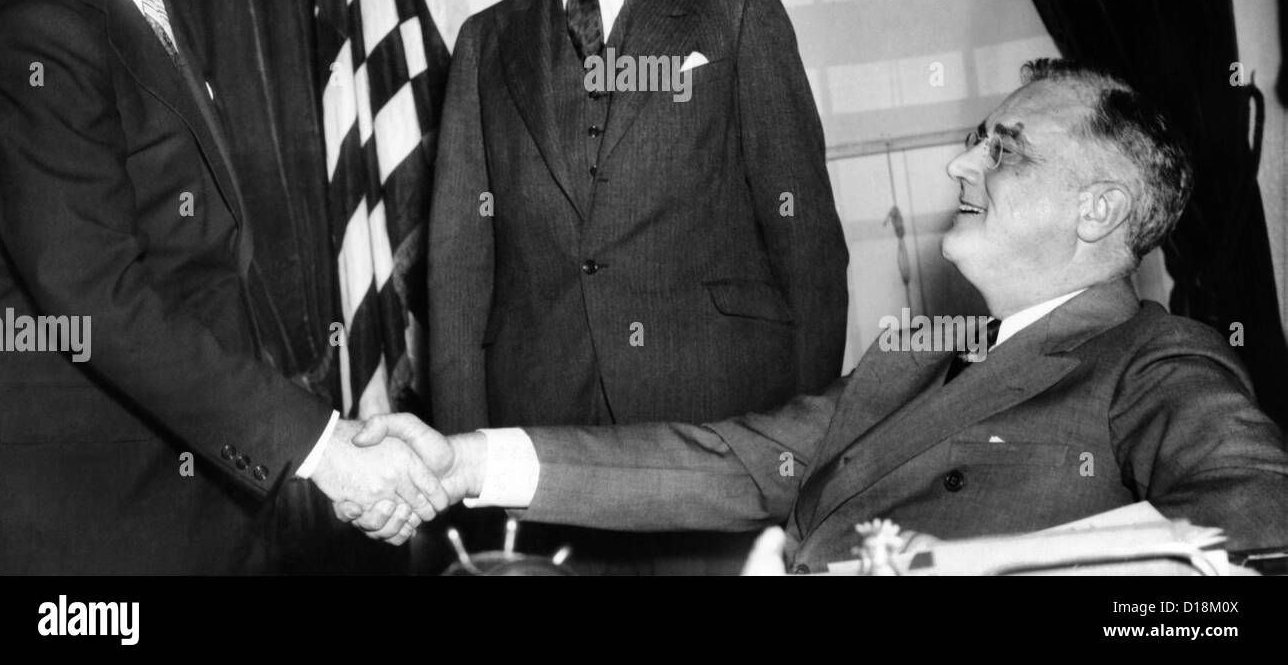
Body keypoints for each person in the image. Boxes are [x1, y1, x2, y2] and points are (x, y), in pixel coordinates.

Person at [351, 60, 1288, 571]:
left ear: (1099, 212)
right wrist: (467, 460)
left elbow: (1258, 537)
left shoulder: (1156, 358)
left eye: (1003, 151)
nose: (962, 167)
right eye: (972, 144)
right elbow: (729, 461)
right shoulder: (921, 356)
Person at [0, 0, 450, 575]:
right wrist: (324, 453)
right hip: (100, 531)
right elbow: (95, 301)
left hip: (192, 501)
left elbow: (192, 271)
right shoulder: (39, 16)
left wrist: (315, 443)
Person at [428, 0, 848, 435]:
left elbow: (808, 242)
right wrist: (465, 461)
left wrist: (811, 431)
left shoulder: (735, 8)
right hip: (547, 428)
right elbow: (459, 271)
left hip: (726, 410)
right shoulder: (484, 44)